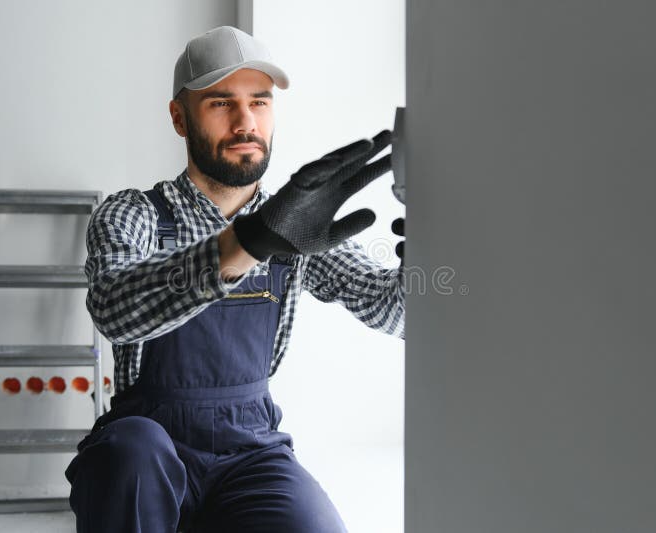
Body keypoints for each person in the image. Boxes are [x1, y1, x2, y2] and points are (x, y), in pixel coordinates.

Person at [64, 25, 405, 533]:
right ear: (180, 118)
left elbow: (392, 312)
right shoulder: (134, 215)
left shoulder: (293, 225)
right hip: (148, 445)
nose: (246, 122)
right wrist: (247, 243)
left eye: (259, 102)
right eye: (222, 103)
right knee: (128, 454)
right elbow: (114, 310)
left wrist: (430, 246)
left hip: (251, 449)